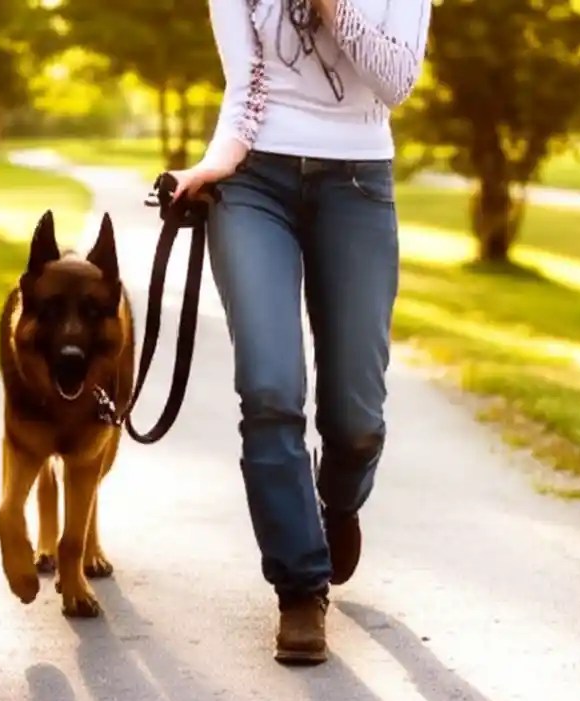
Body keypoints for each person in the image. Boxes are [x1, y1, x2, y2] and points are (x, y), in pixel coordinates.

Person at [169, 0, 432, 665]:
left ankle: (336, 502)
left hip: (359, 184)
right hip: (254, 184)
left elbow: (397, 80)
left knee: (357, 419)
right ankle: (299, 587)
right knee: (269, 389)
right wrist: (214, 164)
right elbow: (246, 85)